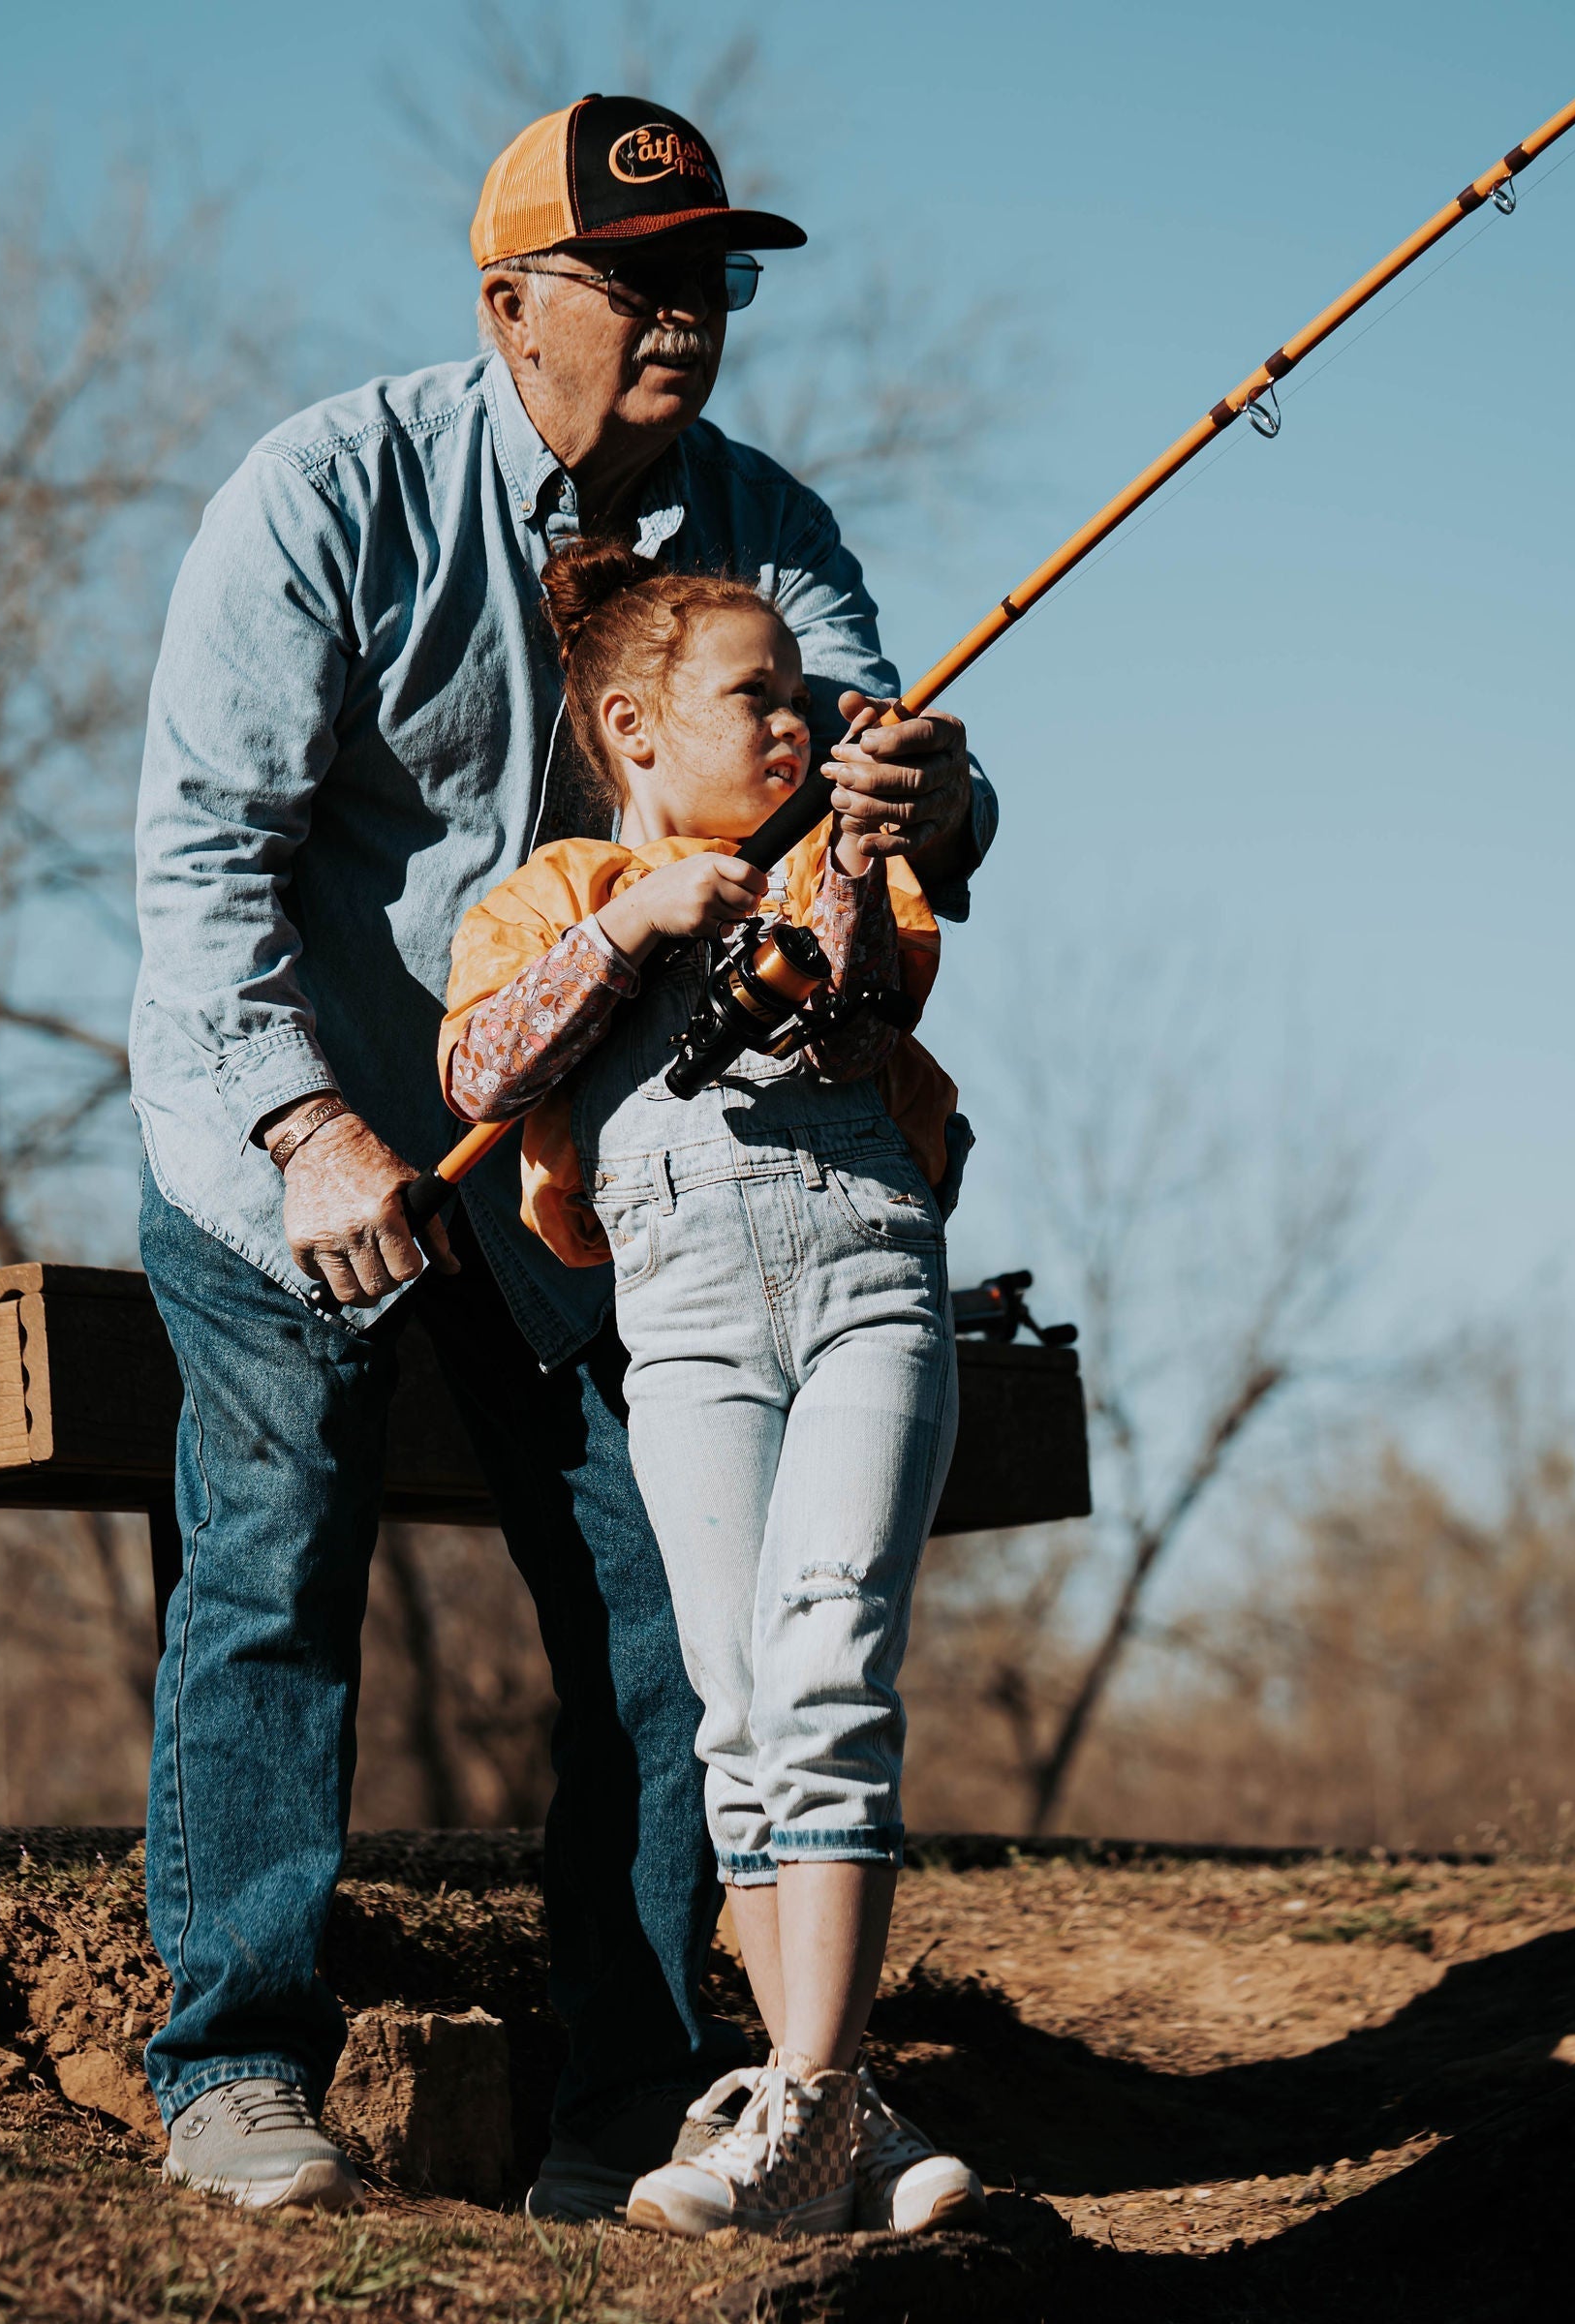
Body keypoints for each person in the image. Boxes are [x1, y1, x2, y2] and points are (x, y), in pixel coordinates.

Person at [127, 92, 993, 2220]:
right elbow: (202, 859)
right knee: (277, 1554)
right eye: (642, 278)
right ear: (516, 305)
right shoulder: (325, 496)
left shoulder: (763, 528)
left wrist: (924, 802)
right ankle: (237, 2062)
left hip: (599, 1166)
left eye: (717, 274)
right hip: (302, 1118)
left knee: (649, 1597)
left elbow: (868, 805)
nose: (691, 315)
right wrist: (308, 1129)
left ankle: (639, 2097)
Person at [438, 538, 981, 2237]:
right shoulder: (545, 894)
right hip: (677, 1339)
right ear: (632, 724)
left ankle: (798, 2108)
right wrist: (633, 923)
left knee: (827, 1666)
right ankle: (841, 2114)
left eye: (807, 703)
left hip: (865, 1292)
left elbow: (854, 1018)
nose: (797, 725)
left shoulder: (839, 865)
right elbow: (479, 1062)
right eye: (758, 696)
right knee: (738, 1720)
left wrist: (869, 849)